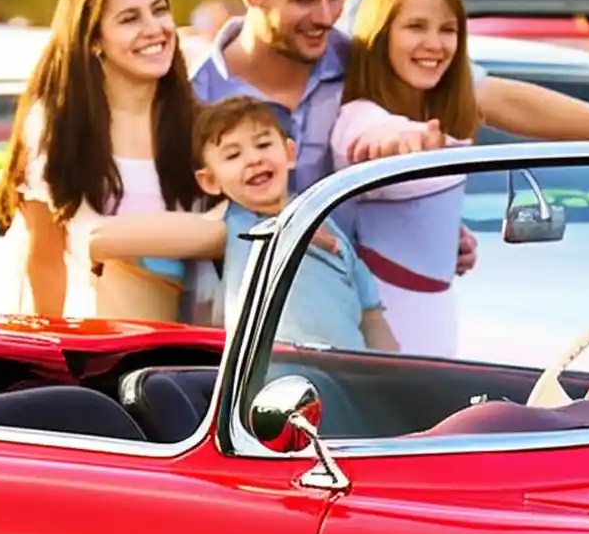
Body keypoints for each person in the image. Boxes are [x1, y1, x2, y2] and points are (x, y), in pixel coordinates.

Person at [190, 0, 589, 277]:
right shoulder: (193, 94)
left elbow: (497, 98)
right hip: (233, 328)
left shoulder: (362, 62)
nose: (326, 15)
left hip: (356, 317)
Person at [88, 95, 400, 351]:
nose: (253, 159)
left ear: (289, 153)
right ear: (210, 181)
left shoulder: (324, 220)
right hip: (274, 383)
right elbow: (103, 239)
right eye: (233, 155)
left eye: (263, 145)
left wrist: (391, 378)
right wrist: (222, 234)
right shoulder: (231, 228)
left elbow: (371, 314)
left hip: (349, 373)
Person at [0, 0, 203, 319]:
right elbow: (44, 260)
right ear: (93, 40)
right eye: (130, 19)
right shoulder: (57, 125)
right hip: (88, 337)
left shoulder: (197, 119)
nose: (155, 28)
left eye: (159, 11)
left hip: (184, 338)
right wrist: (55, 345)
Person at [328, 0, 476, 357]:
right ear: (381, 35)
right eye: (416, 27)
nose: (435, 44)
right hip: (380, 338)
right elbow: (373, 136)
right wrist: (402, 142)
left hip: (438, 327)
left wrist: (449, 237)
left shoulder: (447, 119)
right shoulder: (358, 116)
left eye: (448, 29)